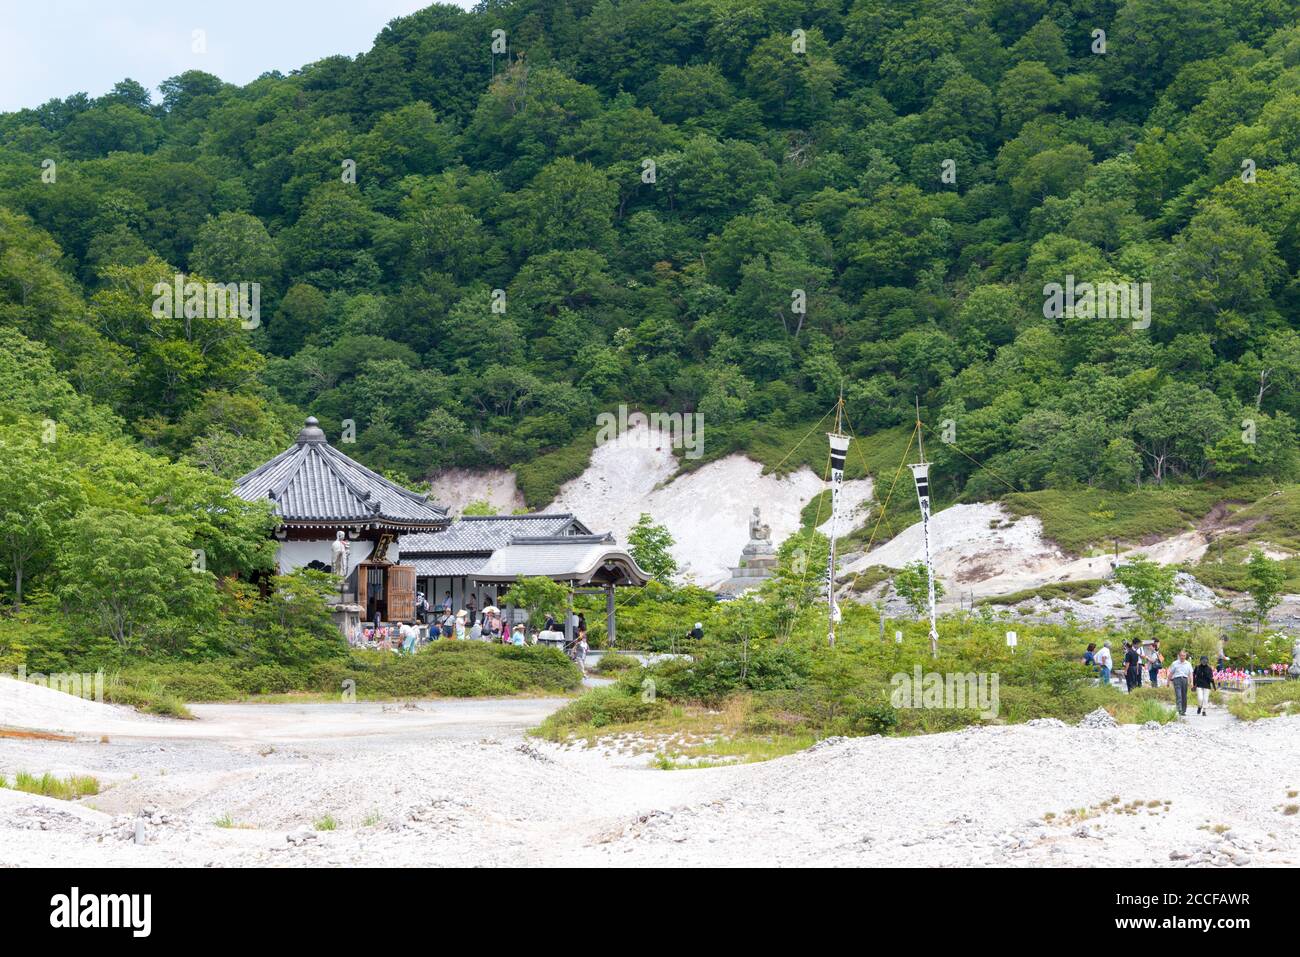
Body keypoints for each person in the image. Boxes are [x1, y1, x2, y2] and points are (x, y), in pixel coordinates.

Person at [1169, 650, 1193, 716]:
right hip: (1177, 679)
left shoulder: (1188, 664)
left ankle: (1183, 710)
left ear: (1186, 656)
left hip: (1185, 680)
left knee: (1184, 696)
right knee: (1178, 695)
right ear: (1179, 656)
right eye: (1181, 656)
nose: (1182, 657)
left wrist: (1192, 682)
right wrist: (1168, 682)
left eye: (1184, 656)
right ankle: (1179, 709)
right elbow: (1171, 673)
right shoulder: (1175, 663)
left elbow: (1190, 674)